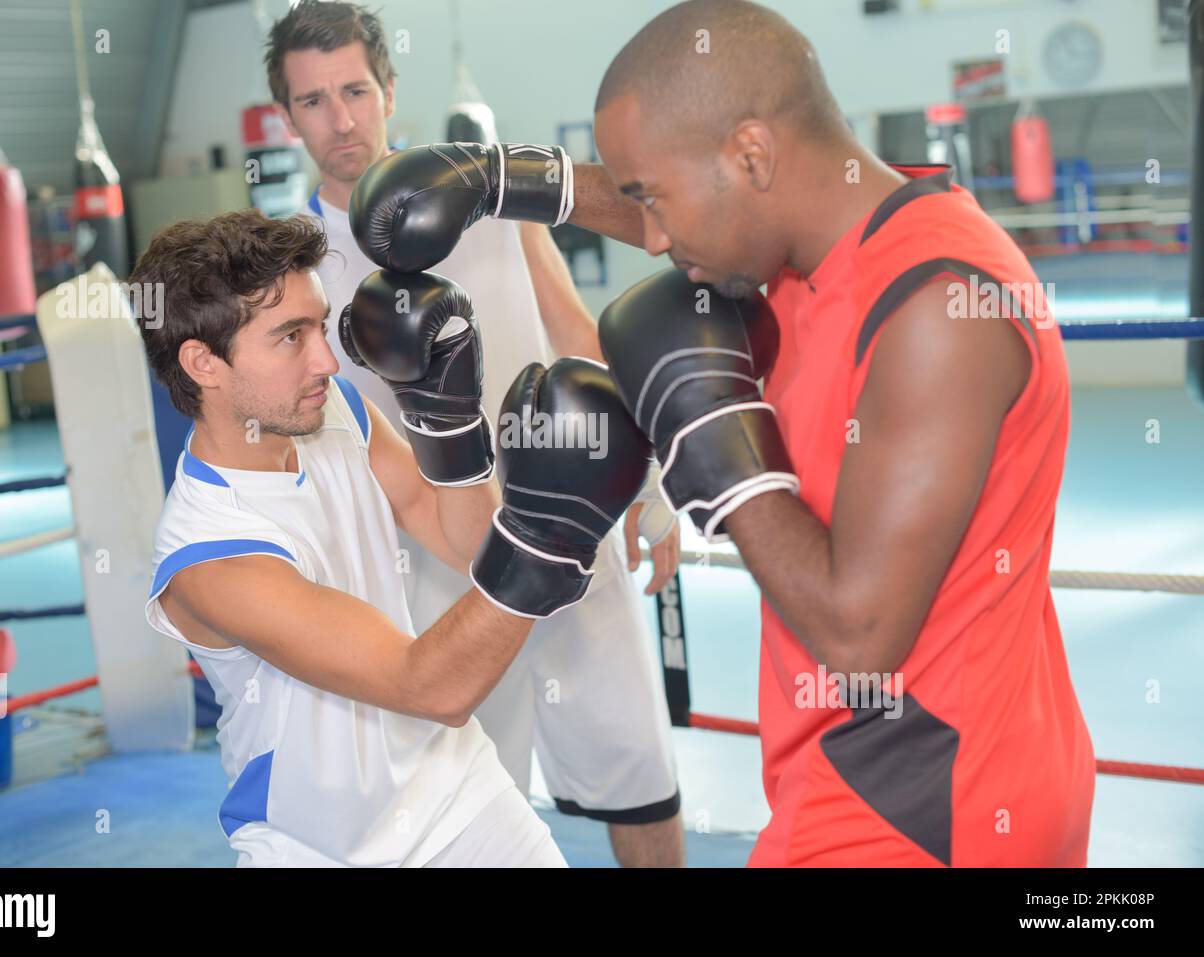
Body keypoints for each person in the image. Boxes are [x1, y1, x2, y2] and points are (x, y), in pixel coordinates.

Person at [353, 0, 1096, 868]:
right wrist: (500, 177)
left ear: (751, 153)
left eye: (655, 197)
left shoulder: (938, 308)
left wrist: (709, 431)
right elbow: (681, 206)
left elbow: (859, 636)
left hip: (931, 809)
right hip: (865, 773)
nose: (655, 235)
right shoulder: (820, 239)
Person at [263, 0, 686, 867]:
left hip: (572, 517)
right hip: (437, 570)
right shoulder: (293, 263)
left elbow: (574, 327)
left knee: (639, 775)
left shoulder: (489, 201)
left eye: (354, 90)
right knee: (466, 814)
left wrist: (653, 485)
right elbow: (310, 431)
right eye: (313, 102)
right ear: (286, 116)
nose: (341, 120)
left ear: (389, 89)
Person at [132, 209, 650, 866]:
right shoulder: (211, 557)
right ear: (203, 362)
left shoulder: (338, 414)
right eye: (290, 337)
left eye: (320, 324)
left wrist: (454, 428)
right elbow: (430, 685)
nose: (326, 357)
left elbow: (461, 540)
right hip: (322, 844)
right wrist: (542, 535)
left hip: (460, 793)